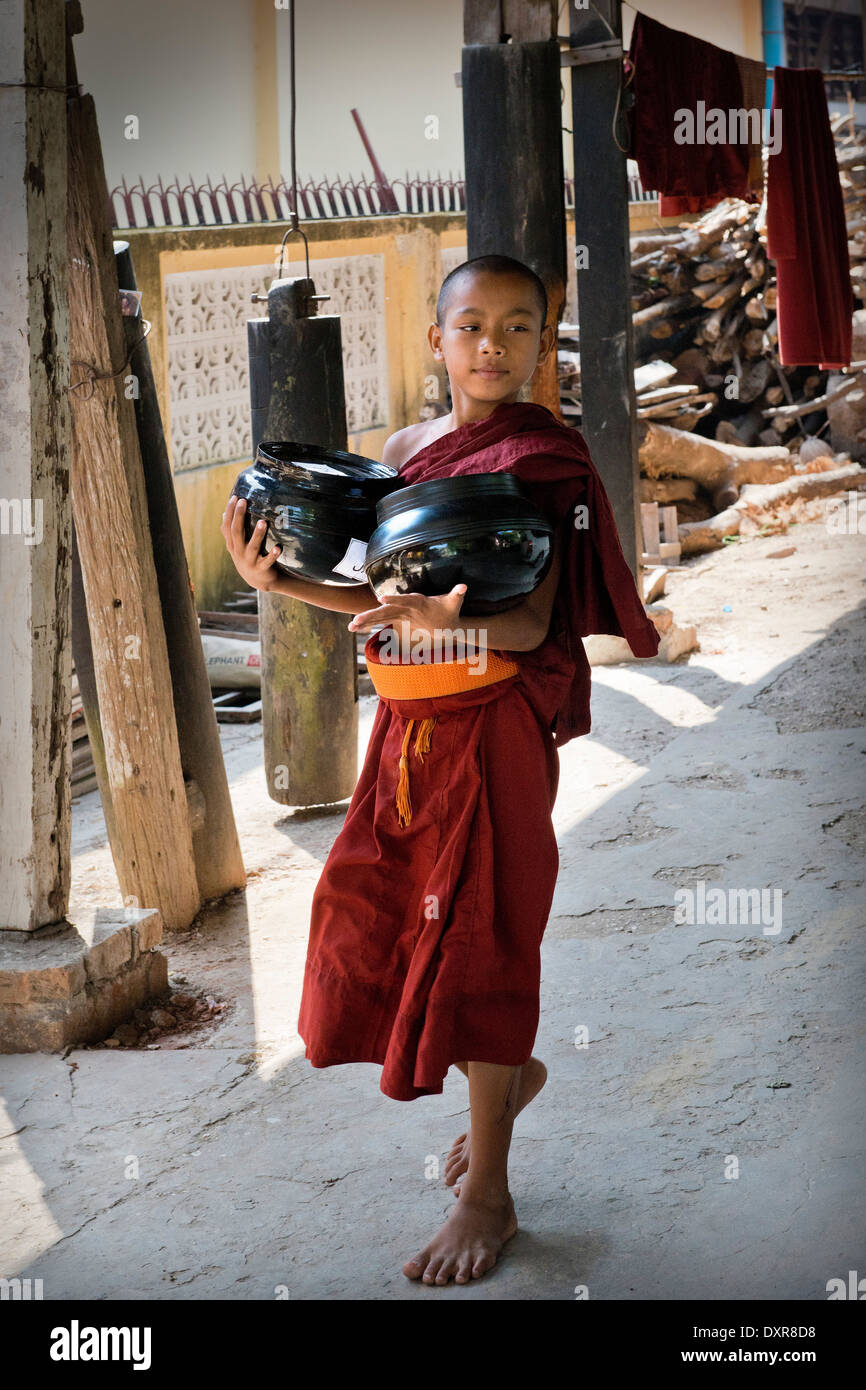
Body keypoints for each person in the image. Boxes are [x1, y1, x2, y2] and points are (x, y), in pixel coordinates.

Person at [221, 253, 660, 1286]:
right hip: (408, 734)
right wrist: (277, 580)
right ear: (437, 341)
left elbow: (528, 623)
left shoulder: (544, 461)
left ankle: (490, 1194)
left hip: (494, 730)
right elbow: (379, 600)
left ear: (540, 344)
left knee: (480, 938)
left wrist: (444, 620)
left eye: (517, 327)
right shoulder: (407, 452)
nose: (492, 346)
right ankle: (505, 1079)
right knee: (369, 914)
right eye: (471, 326)